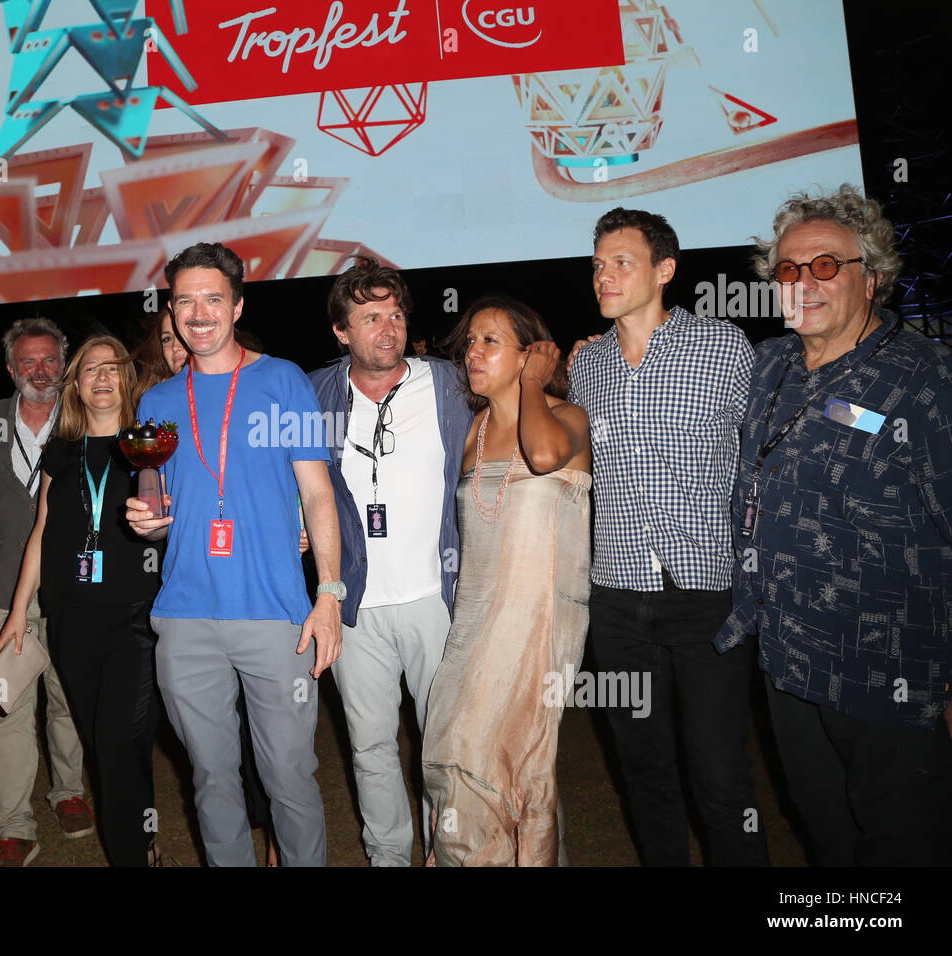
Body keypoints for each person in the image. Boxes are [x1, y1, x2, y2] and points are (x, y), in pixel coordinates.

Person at [716, 185, 952, 865]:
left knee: (905, 843)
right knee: (827, 834)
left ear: (871, 278)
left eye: (826, 266)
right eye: (788, 270)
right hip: (789, 660)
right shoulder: (768, 367)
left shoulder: (924, 382)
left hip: (887, 672)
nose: (803, 283)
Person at [126, 242, 342, 867]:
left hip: (275, 615)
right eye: (185, 300)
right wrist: (150, 523)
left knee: (290, 781)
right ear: (172, 310)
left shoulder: (283, 380)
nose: (198, 313)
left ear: (237, 305)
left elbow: (318, 495)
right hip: (186, 617)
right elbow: (161, 509)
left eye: (212, 298)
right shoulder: (159, 403)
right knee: (212, 781)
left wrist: (328, 593)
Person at [567, 207, 769, 866]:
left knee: (720, 777)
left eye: (620, 262)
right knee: (645, 775)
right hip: (618, 598)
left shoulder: (723, 347)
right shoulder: (587, 366)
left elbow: (770, 440)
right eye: (597, 265)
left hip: (706, 594)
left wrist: (873, 422)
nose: (603, 276)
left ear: (665, 270)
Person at [307, 259, 472, 866]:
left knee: (444, 746)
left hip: (439, 597)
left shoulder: (452, 385)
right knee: (370, 746)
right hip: (353, 605)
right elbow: (287, 479)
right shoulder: (316, 392)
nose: (388, 327)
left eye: (396, 314)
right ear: (341, 332)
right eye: (370, 316)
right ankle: (388, 857)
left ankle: (445, 851)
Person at [419, 296, 591, 866]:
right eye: (470, 341)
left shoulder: (567, 417)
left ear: (530, 355)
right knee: (454, 752)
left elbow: (541, 457)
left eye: (491, 340)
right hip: (475, 622)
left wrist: (536, 387)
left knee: (517, 761)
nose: (473, 351)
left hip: (536, 622)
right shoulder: (475, 428)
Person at [0, 334, 161, 867]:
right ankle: (142, 835)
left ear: (127, 380)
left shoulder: (150, 444)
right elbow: (41, 531)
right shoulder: (61, 452)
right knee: (101, 740)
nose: (103, 376)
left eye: (113, 367)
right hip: (68, 617)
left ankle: (133, 852)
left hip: (135, 616)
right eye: (91, 369)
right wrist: (20, 610)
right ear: (77, 384)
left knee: (118, 742)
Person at [134, 310, 281, 866]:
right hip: (193, 606)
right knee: (216, 754)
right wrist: (152, 512)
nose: (177, 350)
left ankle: (275, 845)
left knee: (269, 751)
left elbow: (287, 476)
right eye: (166, 343)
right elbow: (160, 492)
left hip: (261, 597)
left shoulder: (259, 392)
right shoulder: (162, 413)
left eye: (182, 340)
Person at [0, 318, 92, 867]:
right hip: (6, 593)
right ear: (11, 369)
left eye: (49, 359)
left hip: (70, 588)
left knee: (67, 698)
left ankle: (69, 791)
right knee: (11, 708)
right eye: (27, 361)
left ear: (65, 362)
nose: (39, 370)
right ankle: (13, 824)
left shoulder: (81, 419)